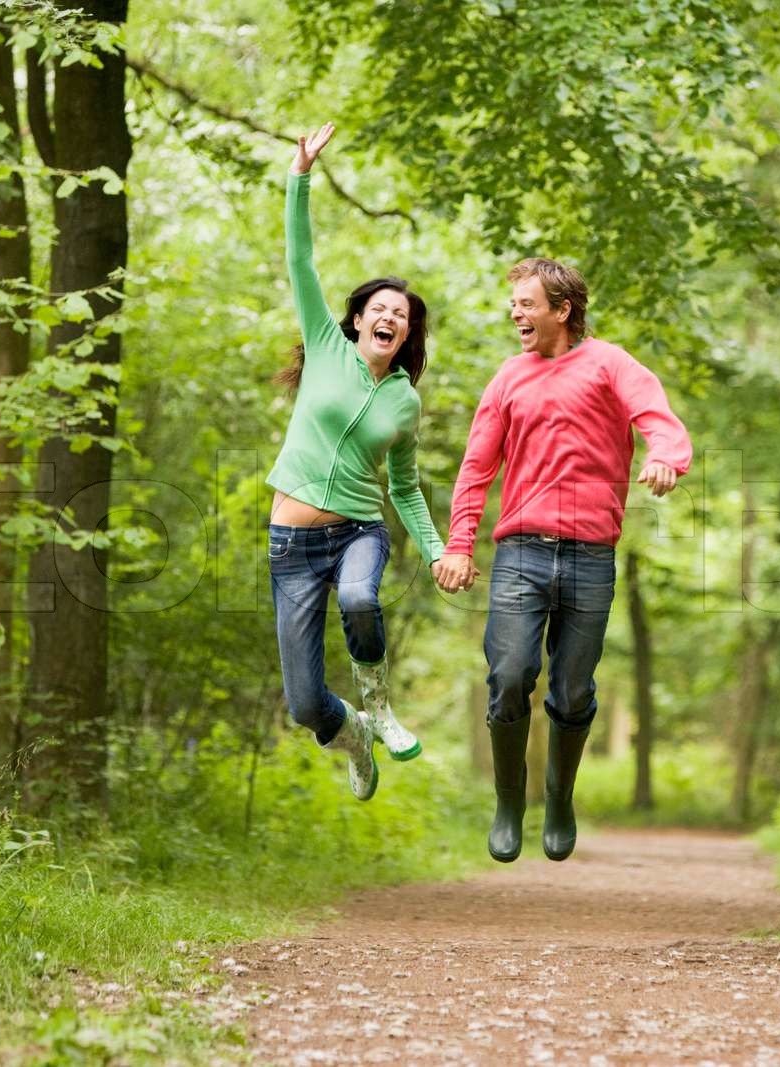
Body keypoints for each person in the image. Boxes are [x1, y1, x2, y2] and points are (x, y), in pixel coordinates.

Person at [433, 258, 691, 861]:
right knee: (509, 676)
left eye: (526, 304)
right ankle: (509, 802)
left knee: (573, 690)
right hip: (520, 553)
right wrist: (459, 544)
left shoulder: (609, 364)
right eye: (514, 304)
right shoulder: (508, 377)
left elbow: (659, 419)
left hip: (590, 556)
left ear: (562, 309)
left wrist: (665, 457)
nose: (515, 314)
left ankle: (559, 797)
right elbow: (476, 468)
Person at [267, 123, 444, 801]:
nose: (390, 317)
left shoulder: (404, 401)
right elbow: (300, 259)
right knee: (303, 703)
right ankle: (352, 734)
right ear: (361, 319)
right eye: (380, 308)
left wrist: (436, 550)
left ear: (406, 334)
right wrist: (300, 176)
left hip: (357, 533)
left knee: (360, 597)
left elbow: (405, 487)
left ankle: (381, 707)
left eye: (402, 315)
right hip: (291, 545)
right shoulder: (326, 346)